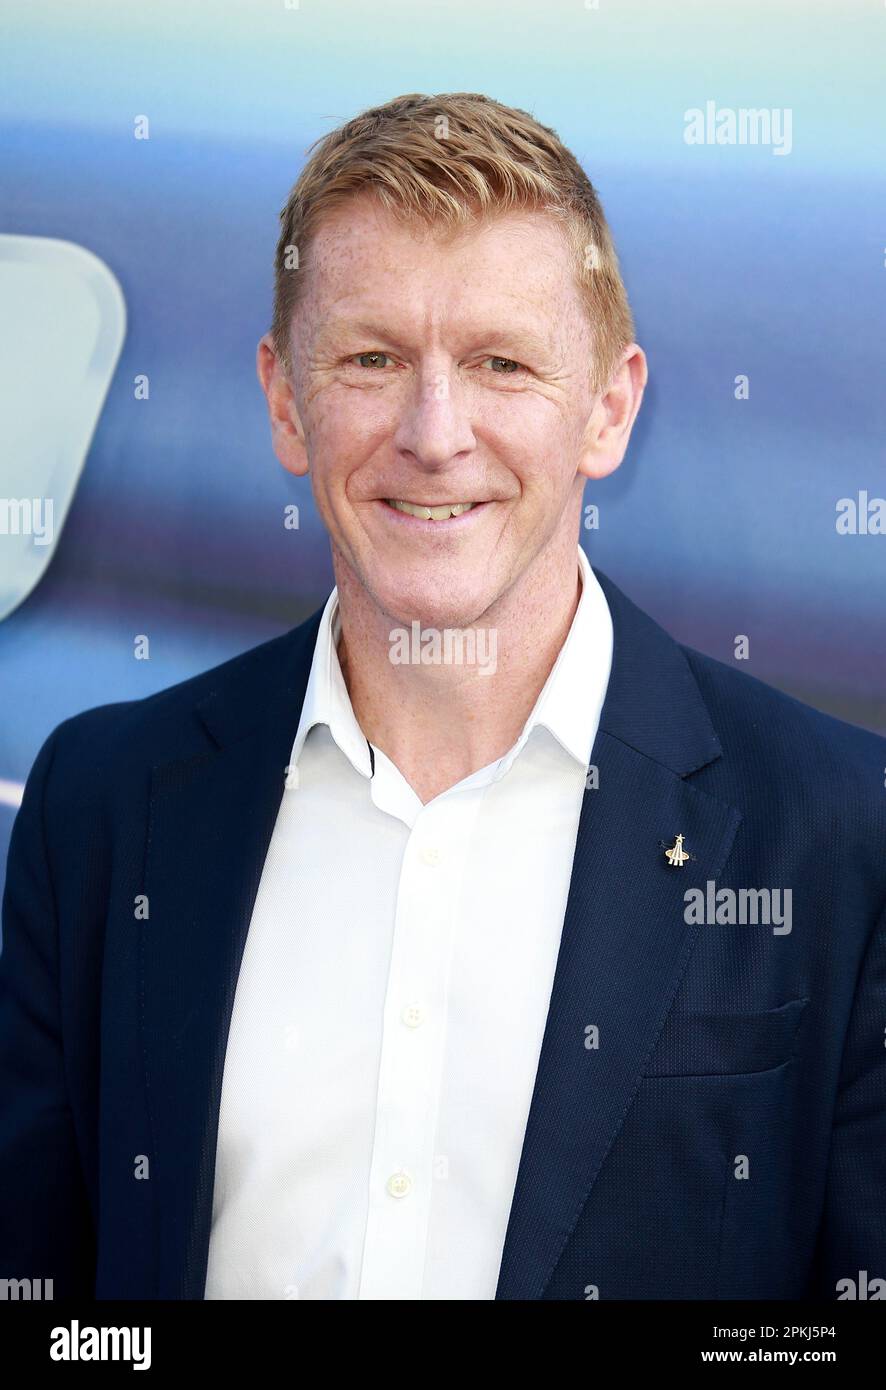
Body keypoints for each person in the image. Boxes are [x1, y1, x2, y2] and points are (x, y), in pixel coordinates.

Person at [1, 92, 884, 1302]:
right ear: (282, 402)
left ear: (608, 408)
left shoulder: (836, 827)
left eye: (499, 364)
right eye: (370, 359)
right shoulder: (101, 804)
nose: (433, 432)